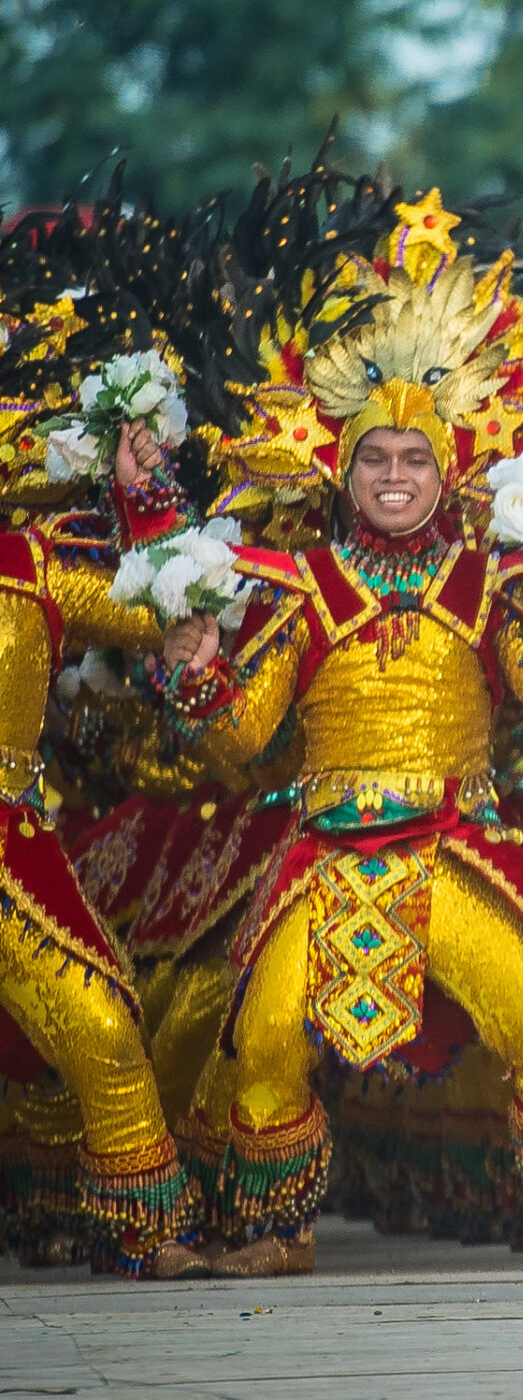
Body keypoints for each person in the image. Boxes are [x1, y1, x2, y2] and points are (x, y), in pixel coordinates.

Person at [157, 196, 523, 1275]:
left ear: (450, 472)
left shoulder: (487, 580)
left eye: (412, 460)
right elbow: (241, 735)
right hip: (327, 846)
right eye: (372, 456)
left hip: (455, 840)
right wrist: (195, 668)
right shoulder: (304, 586)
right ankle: (276, 1231)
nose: (391, 475)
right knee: (268, 1041)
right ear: (343, 469)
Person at [0, 415, 208, 1277]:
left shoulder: (27, 563)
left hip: (9, 835)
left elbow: (159, 607)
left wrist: (140, 492)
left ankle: (146, 1230)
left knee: (100, 1026)